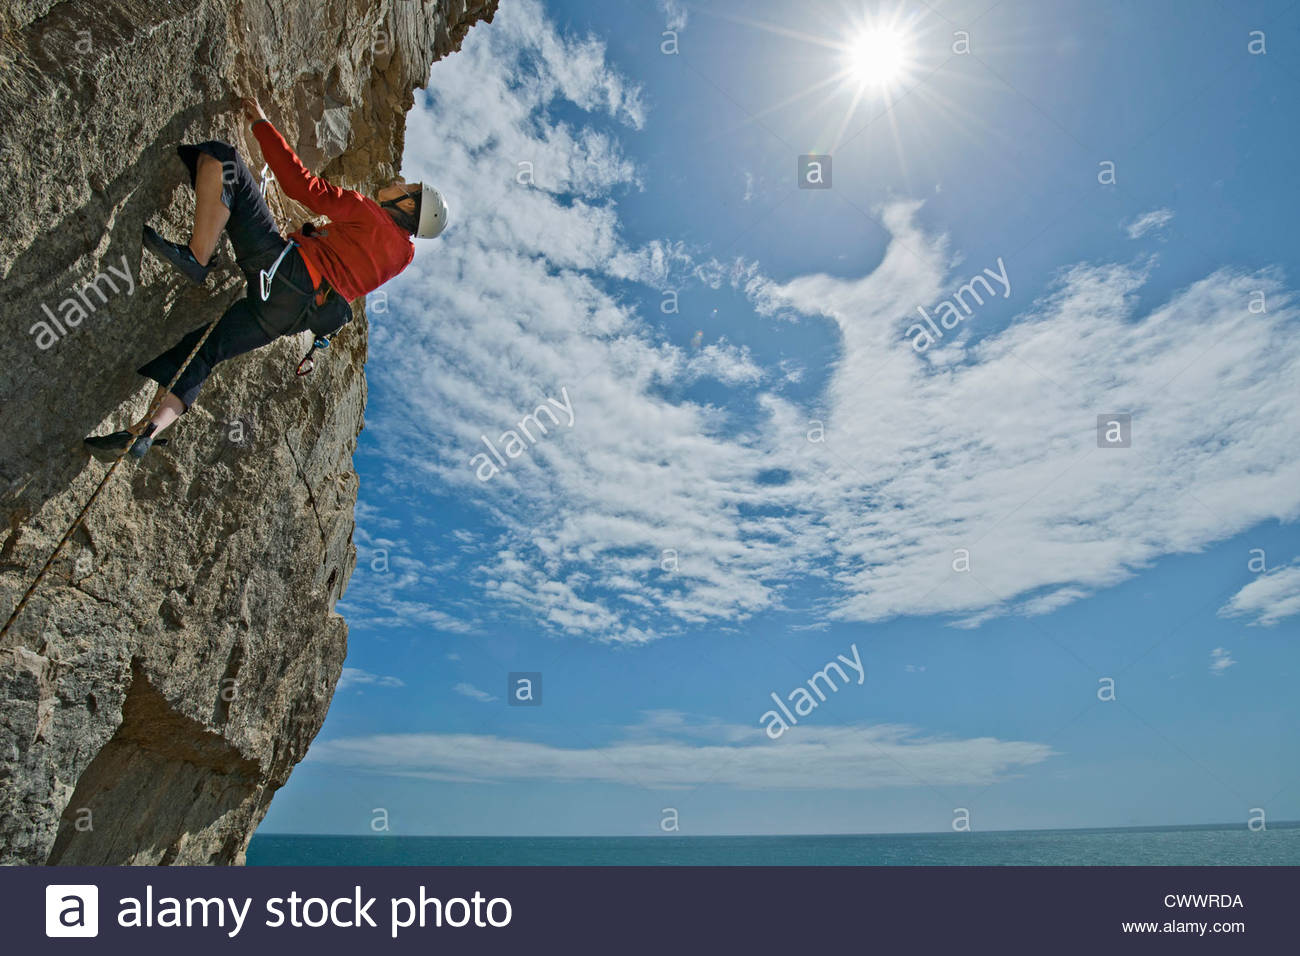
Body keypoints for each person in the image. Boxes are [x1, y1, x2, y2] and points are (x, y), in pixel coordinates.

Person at [85, 95, 448, 461]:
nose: (401, 182)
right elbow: (349, 260)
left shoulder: (368, 212)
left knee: (224, 159)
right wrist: (313, 236)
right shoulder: (401, 256)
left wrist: (261, 124)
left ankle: (197, 256)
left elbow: (301, 186)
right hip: (290, 317)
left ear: (408, 206)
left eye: (410, 189)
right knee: (206, 349)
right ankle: (145, 432)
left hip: (285, 272)